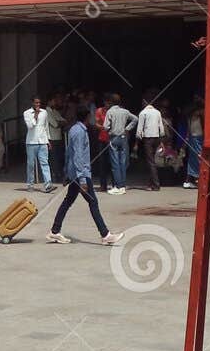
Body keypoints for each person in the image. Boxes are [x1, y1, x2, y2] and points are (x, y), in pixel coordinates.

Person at [45, 105, 123, 246]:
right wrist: (82, 179)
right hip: (81, 173)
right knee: (93, 202)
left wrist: (67, 172)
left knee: (68, 201)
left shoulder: (74, 129)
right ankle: (105, 234)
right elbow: (78, 156)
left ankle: (55, 231)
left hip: (75, 173)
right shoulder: (80, 132)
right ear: (87, 117)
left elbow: (69, 153)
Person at [103, 93, 134, 194]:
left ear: (111, 102)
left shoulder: (110, 112)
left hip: (114, 138)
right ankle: (123, 186)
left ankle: (118, 186)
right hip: (123, 137)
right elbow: (135, 119)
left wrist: (109, 129)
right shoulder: (125, 111)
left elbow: (105, 127)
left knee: (115, 163)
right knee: (123, 162)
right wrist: (127, 128)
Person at [23, 96, 54, 191]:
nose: (38, 105)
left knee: (45, 163)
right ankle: (30, 184)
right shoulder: (27, 113)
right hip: (31, 142)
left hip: (43, 141)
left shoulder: (44, 112)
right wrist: (35, 116)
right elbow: (30, 126)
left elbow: (46, 126)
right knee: (31, 164)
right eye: (36, 103)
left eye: (39, 103)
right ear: (32, 103)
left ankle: (48, 184)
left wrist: (48, 140)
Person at [136, 89, 164, 190]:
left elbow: (139, 129)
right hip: (157, 138)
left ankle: (156, 184)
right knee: (154, 161)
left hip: (148, 139)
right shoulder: (157, 112)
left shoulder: (143, 113)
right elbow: (161, 128)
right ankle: (151, 183)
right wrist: (161, 140)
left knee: (150, 161)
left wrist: (137, 142)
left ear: (145, 102)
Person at [182, 97, 205, 189]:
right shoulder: (196, 116)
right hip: (197, 138)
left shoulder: (191, 117)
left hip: (193, 138)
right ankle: (201, 179)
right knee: (200, 157)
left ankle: (188, 181)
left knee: (192, 159)